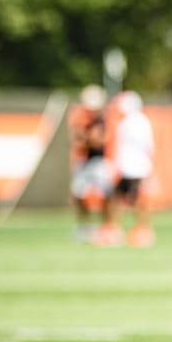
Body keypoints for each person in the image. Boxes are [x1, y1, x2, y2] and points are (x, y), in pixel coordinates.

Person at [98, 90, 155, 248]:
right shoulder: (129, 122)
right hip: (127, 167)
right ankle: (116, 228)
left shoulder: (138, 122)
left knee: (135, 200)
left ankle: (143, 230)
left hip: (135, 168)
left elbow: (147, 147)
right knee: (117, 198)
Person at [69, 84, 112, 242]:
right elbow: (78, 140)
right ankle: (84, 227)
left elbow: (98, 140)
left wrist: (87, 139)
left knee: (107, 195)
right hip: (84, 161)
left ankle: (108, 227)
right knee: (78, 195)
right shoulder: (80, 118)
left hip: (99, 161)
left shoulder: (103, 119)